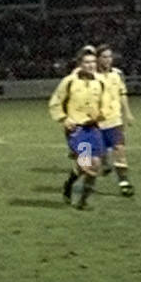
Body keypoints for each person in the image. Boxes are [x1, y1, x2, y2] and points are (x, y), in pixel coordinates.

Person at [48, 47, 104, 208]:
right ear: (80, 64)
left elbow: (106, 104)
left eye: (93, 62)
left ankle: (80, 198)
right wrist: (64, 118)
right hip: (77, 130)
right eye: (87, 62)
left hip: (93, 129)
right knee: (88, 166)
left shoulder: (100, 82)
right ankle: (75, 192)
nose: (91, 65)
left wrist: (102, 115)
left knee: (93, 165)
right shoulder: (70, 81)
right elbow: (56, 101)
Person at [96, 45, 135, 196]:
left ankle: (124, 183)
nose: (107, 60)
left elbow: (122, 93)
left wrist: (128, 113)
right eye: (104, 57)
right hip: (96, 122)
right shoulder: (91, 75)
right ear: (98, 58)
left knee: (119, 150)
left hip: (114, 121)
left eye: (109, 57)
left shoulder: (117, 74)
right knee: (91, 160)